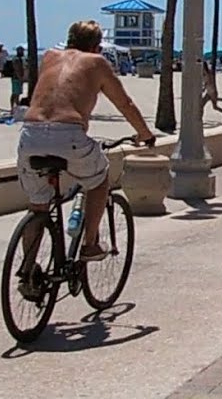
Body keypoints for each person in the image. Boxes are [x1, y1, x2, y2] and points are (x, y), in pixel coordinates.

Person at [15, 20, 155, 264]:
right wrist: (145, 134)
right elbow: (125, 104)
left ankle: (28, 268)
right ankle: (90, 244)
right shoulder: (97, 63)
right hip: (68, 135)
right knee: (99, 181)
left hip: (30, 133)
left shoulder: (48, 56)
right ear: (97, 46)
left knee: (38, 205)